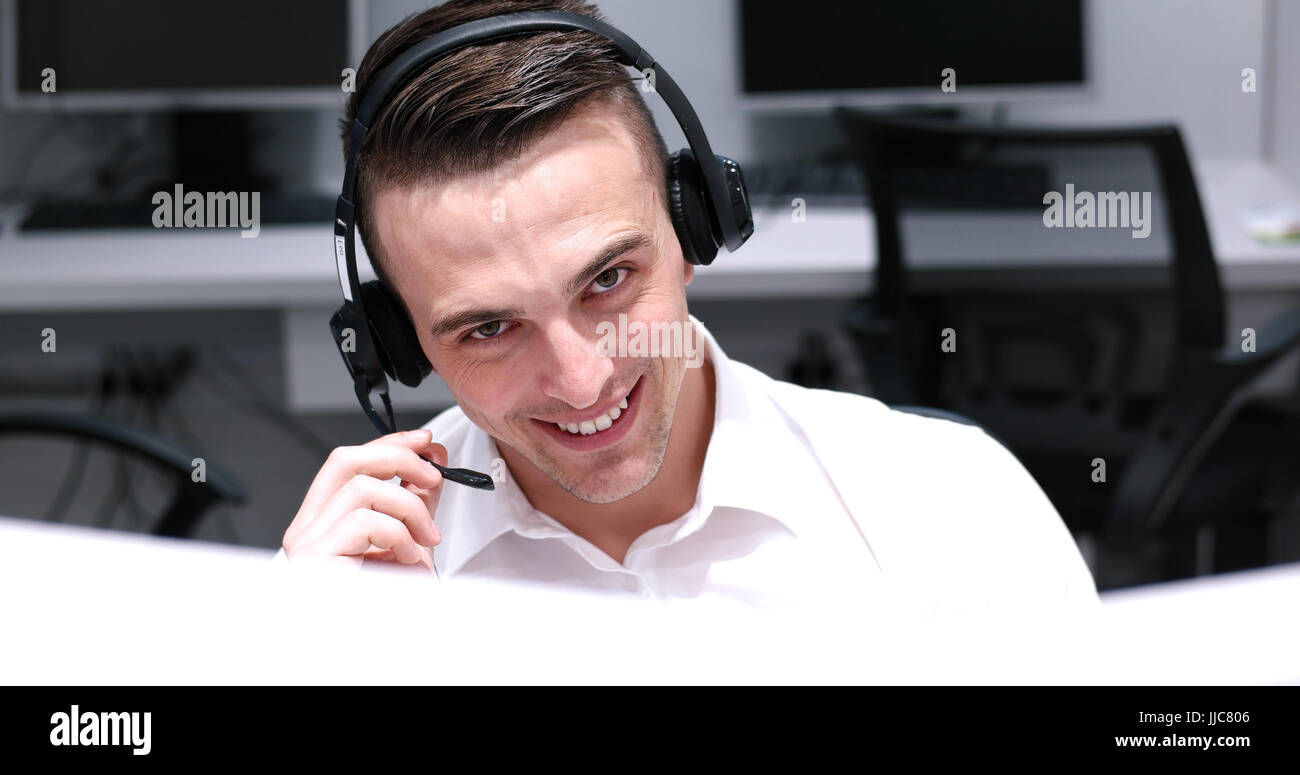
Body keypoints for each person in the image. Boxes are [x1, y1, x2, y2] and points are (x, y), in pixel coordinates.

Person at [279, 0, 1099, 613]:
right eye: (490, 328)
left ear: (695, 227)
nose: (579, 379)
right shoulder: (357, 593)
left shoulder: (958, 510)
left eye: (607, 280)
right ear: (397, 342)